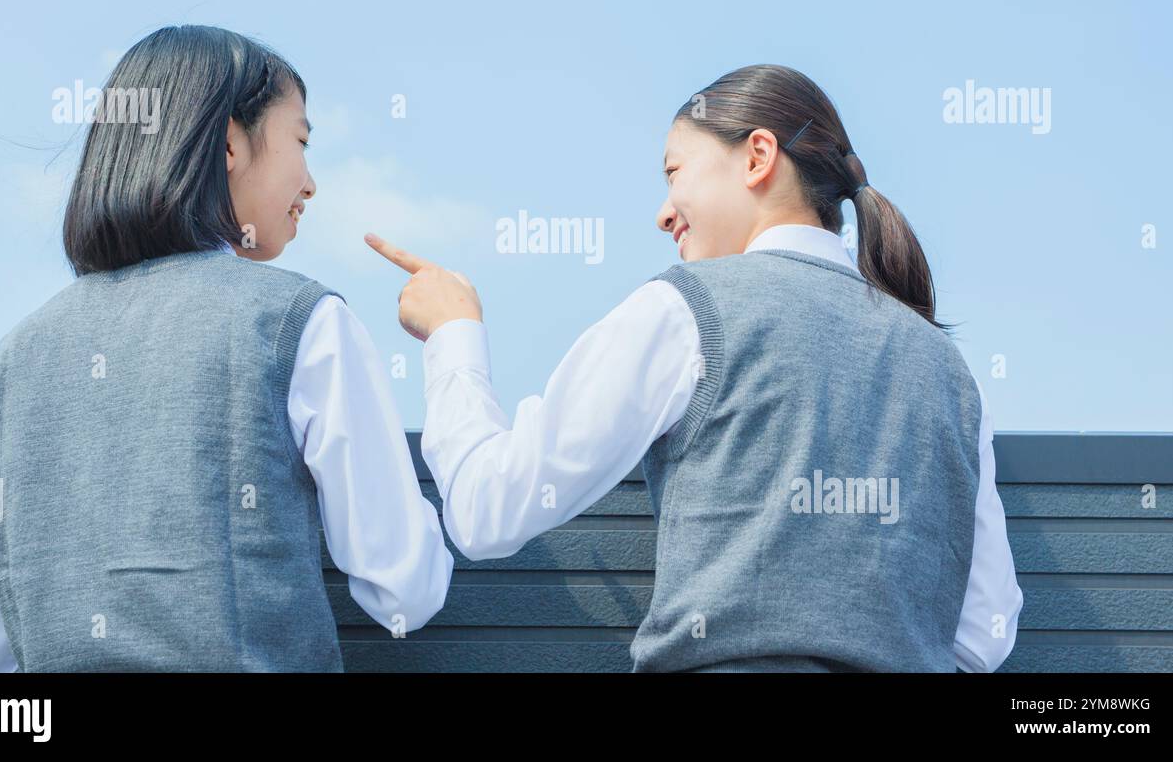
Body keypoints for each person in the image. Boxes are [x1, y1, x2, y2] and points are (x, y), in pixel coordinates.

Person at [367, 63, 1023, 672]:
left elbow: (491, 512)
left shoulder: (685, 310)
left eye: (674, 172)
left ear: (757, 156)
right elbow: (984, 630)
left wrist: (453, 334)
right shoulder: (951, 373)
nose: (663, 212)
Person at [0, 25, 453, 671]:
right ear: (232, 143)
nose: (311, 182)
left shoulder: (5, 367)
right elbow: (405, 588)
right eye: (300, 140)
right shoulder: (302, 322)